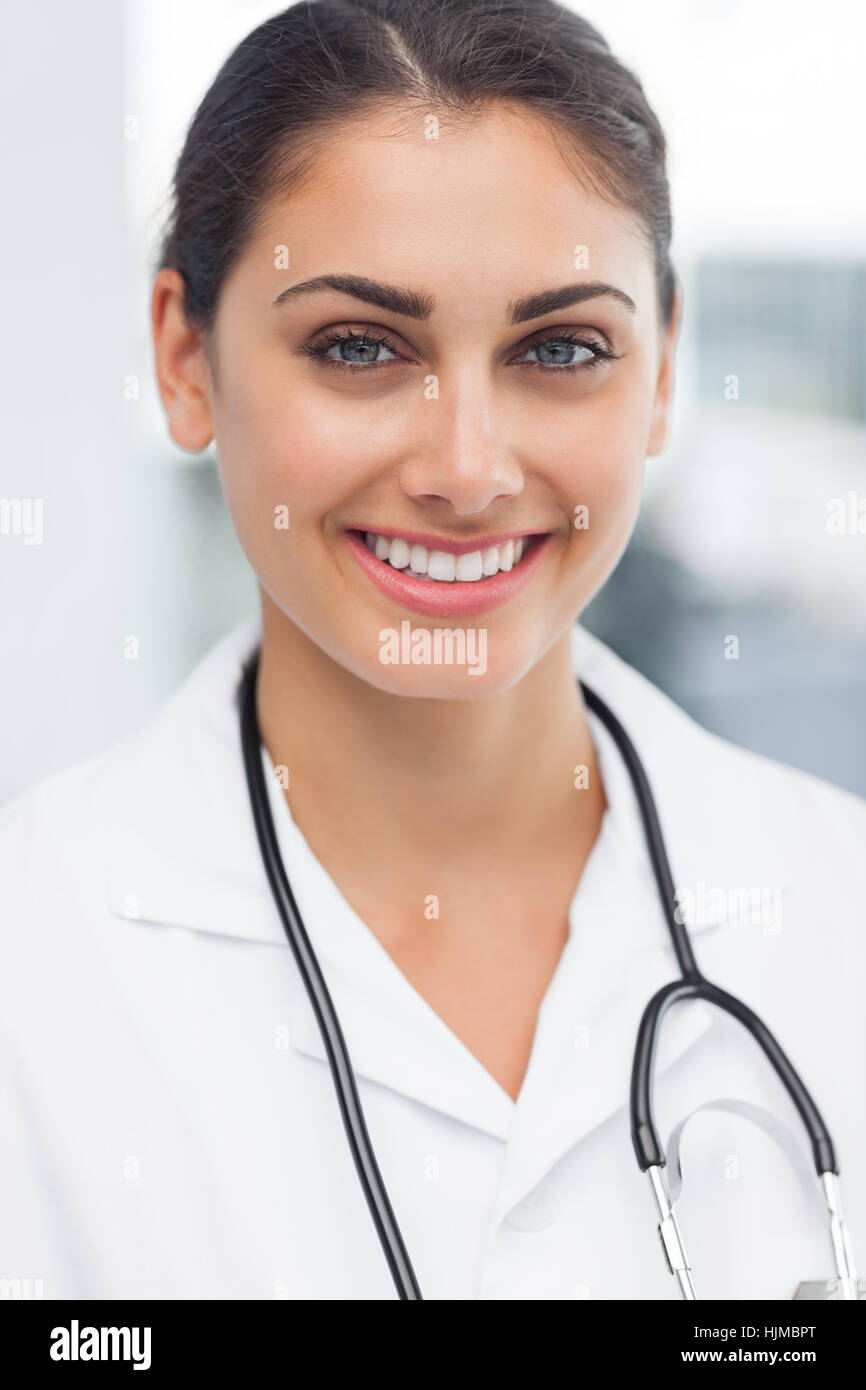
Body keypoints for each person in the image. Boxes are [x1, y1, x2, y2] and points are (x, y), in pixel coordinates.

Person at [1, 0, 864, 1302]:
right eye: (358, 347)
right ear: (184, 359)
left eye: (560, 348)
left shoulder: (839, 909)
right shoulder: (34, 959)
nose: (467, 468)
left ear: (663, 371)